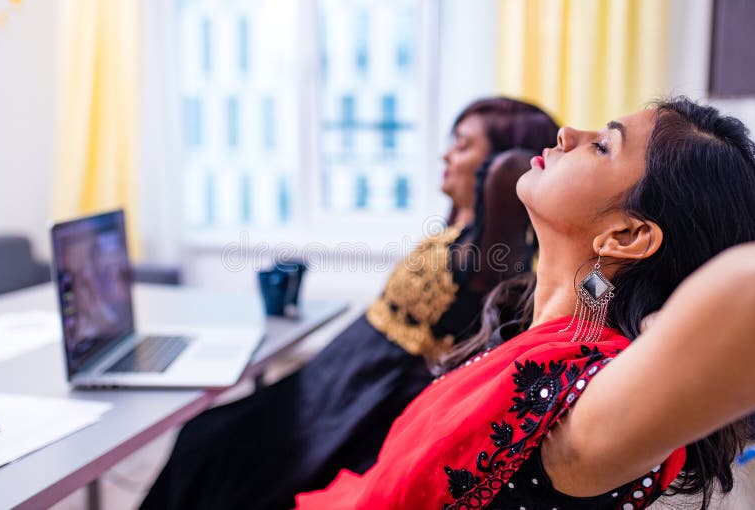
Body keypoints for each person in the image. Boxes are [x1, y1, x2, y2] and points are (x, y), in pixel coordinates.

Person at [294, 97, 755, 510]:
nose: (567, 133)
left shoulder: (579, 400)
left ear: (627, 235)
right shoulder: (531, 331)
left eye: (604, 146)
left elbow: (754, 291)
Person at [140, 97, 559, 510]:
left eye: (464, 145)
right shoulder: (458, 232)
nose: (446, 153)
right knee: (204, 434)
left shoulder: (491, 254)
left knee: (210, 448)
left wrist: (517, 172)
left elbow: (507, 185)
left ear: (499, 167)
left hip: (361, 400)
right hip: (338, 376)